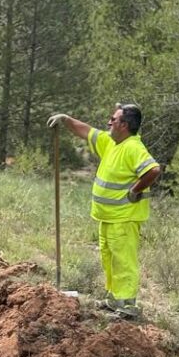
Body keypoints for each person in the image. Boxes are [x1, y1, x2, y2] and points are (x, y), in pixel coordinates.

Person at [47, 103, 161, 319]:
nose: (109, 122)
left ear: (124, 125)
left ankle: (127, 306)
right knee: (109, 259)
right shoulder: (111, 142)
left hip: (124, 219)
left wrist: (135, 190)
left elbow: (153, 170)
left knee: (123, 260)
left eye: (113, 119)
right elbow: (87, 131)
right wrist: (66, 119)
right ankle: (113, 299)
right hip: (108, 218)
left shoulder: (132, 147)